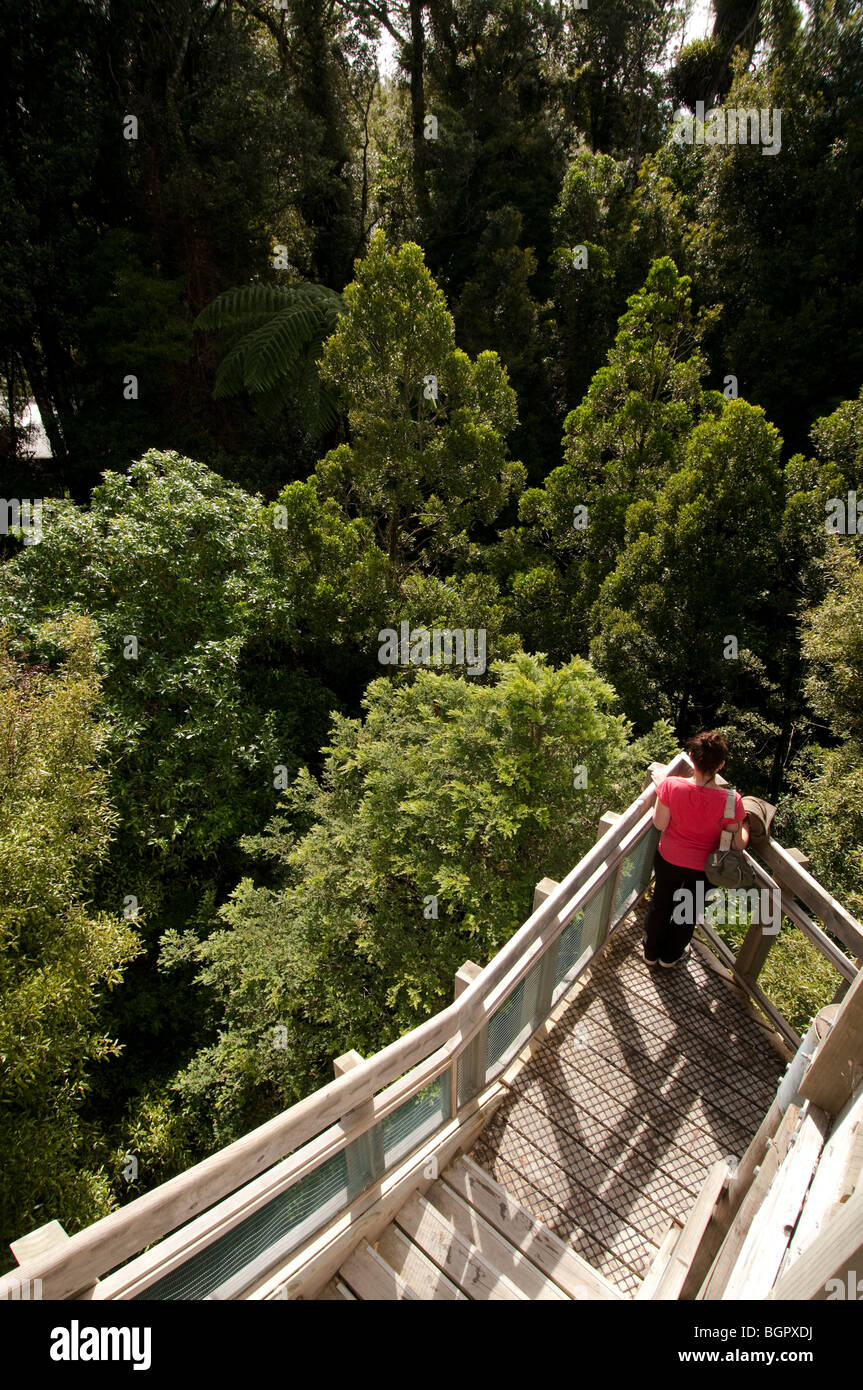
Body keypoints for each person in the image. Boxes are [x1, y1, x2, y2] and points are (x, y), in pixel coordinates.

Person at [642, 731, 749, 968]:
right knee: (687, 911)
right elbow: (737, 842)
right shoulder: (732, 801)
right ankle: (670, 956)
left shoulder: (670, 786)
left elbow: (659, 824)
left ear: (691, 757)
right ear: (720, 765)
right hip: (706, 866)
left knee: (661, 903)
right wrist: (747, 827)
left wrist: (662, 792)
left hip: (670, 858)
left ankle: (650, 953)